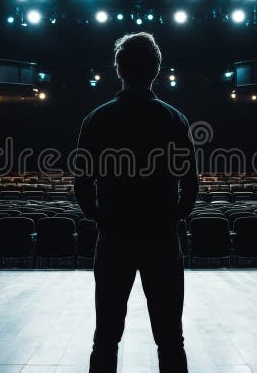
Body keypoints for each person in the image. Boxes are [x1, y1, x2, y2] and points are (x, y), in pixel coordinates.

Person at [74, 32, 198, 373]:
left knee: (106, 337)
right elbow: (190, 185)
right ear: (156, 71)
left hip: (114, 238)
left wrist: (101, 218)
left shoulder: (96, 119)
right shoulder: (174, 120)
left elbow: (82, 186)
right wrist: (173, 218)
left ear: (118, 69)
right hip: (161, 238)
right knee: (171, 338)